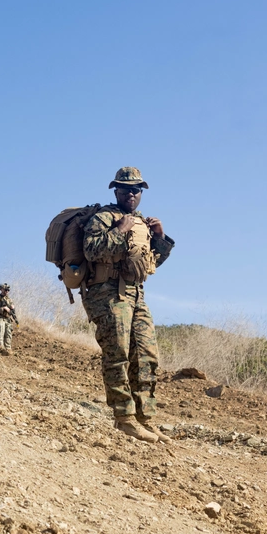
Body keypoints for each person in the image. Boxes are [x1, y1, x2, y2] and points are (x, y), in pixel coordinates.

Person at [82, 166, 175, 443]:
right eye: (125, 189)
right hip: (108, 293)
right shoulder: (104, 218)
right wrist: (119, 231)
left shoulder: (141, 222)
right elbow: (91, 249)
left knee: (146, 356)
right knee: (118, 354)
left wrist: (159, 238)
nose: (131, 194)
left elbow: (149, 263)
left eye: (137, 189)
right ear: (116, 190)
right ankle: (124, 418)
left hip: (137, 294)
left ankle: (145, 418)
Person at [0, 283, 18, 355]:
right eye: (5, 290)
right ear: (1, 289)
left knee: (8, 333)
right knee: (1, 331)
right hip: (0, 317)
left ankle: (8, 349)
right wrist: (3, 308)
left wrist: (12, 308)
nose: (6, 291)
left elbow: (12, 310)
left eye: (8, 290)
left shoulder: (9, 299)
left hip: (7, 318)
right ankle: (0, 347)